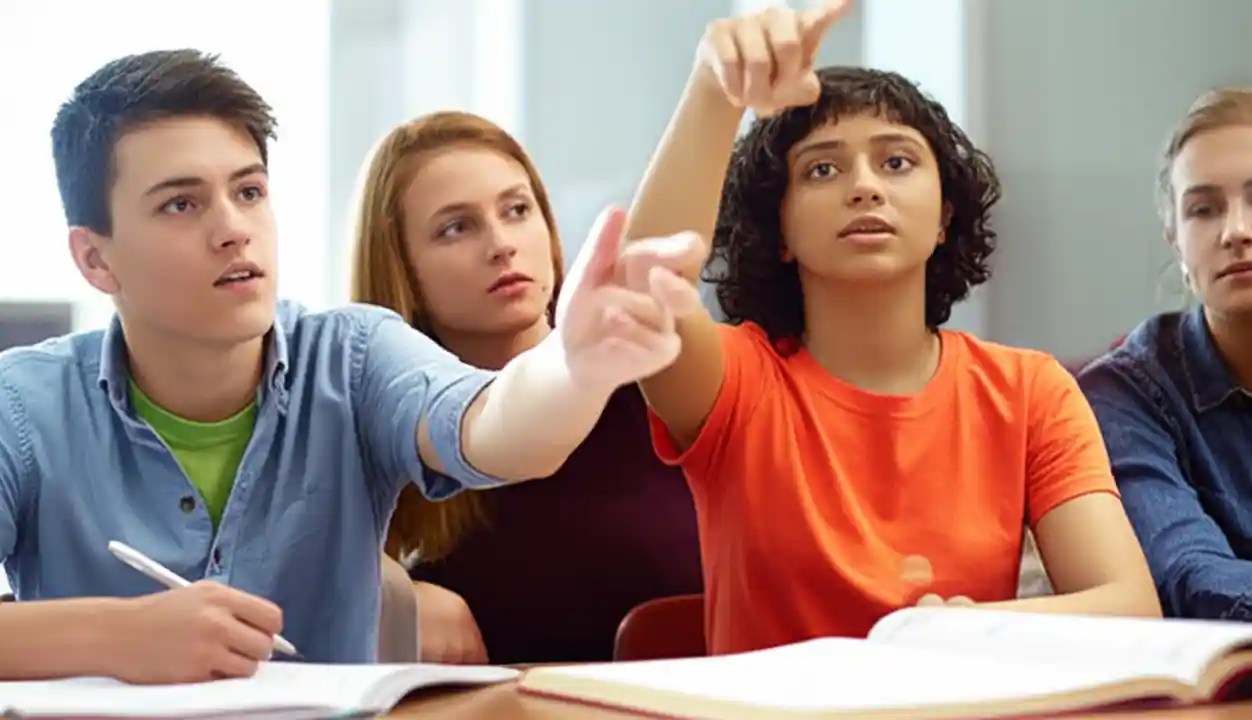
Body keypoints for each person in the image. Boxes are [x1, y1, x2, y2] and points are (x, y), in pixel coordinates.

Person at [0, 49, 705, 682]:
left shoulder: (353, 355)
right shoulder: (25, 406)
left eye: (248, 192)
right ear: (95, 258)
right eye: (182, 204)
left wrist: (576, 364)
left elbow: (495, 429)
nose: (232, 228)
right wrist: (110, 635)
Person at [619, 0, 1160, 656]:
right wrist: (713, 88)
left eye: (897, 162)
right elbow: (641, 292)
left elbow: (1131, 608)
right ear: (781, 231)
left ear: (943, 217)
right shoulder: (735, 383)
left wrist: (979, 630)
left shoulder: (1030, 391)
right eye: (823, 168)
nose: (864, 186)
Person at [350, 110, 702, 665]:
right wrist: (384, 585)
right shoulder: (373, 430)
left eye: (517, 210)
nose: (501, 244)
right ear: (403, 271)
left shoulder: (657, 381)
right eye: (456, 227)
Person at [1079, 88, 1252, 621]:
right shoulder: (1125, 392)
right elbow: (1193, 577)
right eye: (1203, 210)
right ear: (1174, 238)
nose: (1237, 231)